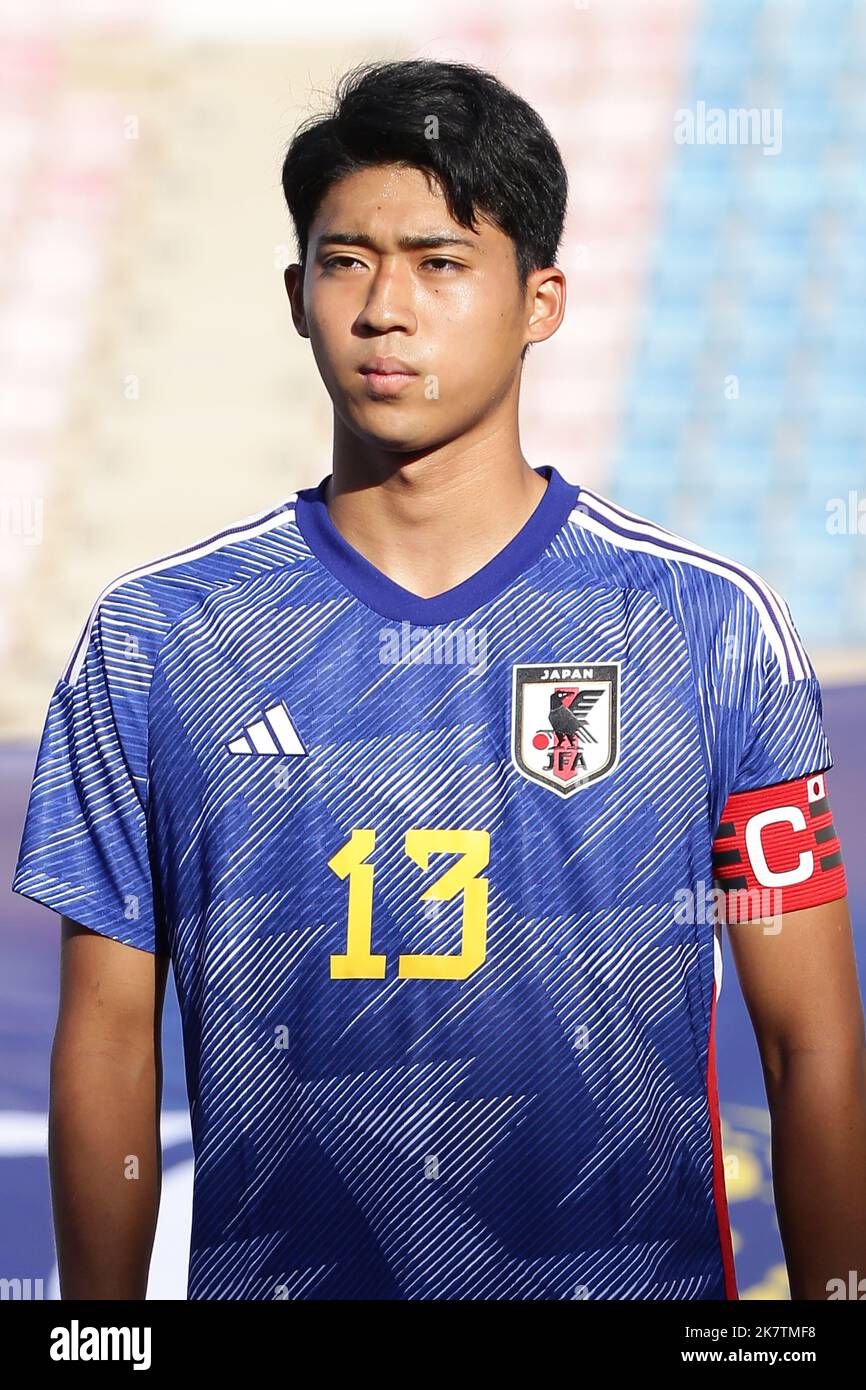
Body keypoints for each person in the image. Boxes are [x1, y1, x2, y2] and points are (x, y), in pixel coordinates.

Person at [12, 57, 866, 1301]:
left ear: (541, 300)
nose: (383, 309)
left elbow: (808, 1045)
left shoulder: (704, 624)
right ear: (295, 292)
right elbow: (101, 1040)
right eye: (346, 261)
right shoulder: (160, 636)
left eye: (439, 261)